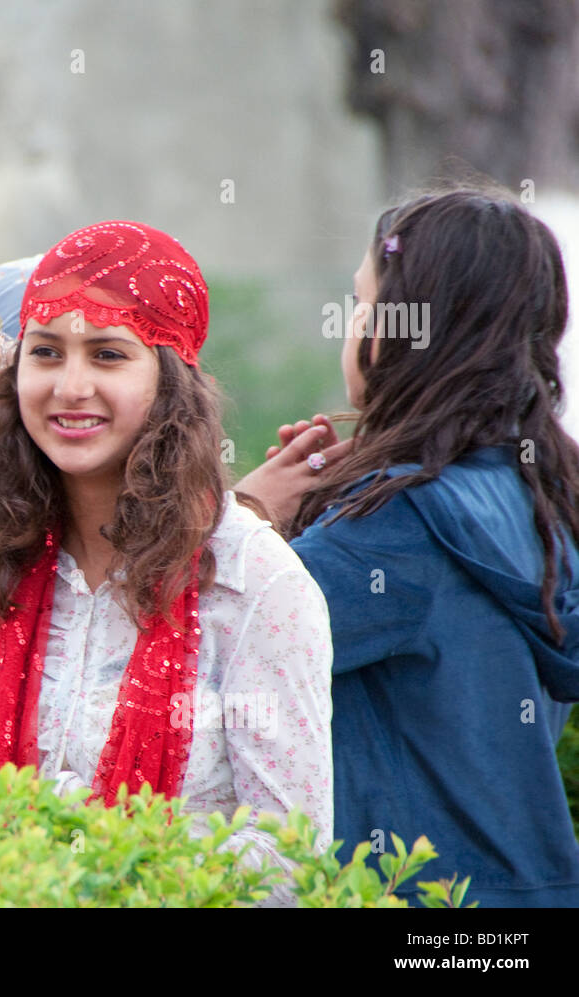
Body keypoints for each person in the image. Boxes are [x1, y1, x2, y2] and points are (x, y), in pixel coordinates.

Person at [0, 221, 334, 890]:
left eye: (108, 355)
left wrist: (101, 880)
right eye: (47, 352)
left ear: (170, 381)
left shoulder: (253, 582)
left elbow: (292, 855)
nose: (71, 385)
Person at [237, 188, 579, 906]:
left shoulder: (397, 525)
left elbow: (216, 638)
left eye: (360, 303)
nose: (350, 323)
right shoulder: (538, 492)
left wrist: (249, 517)